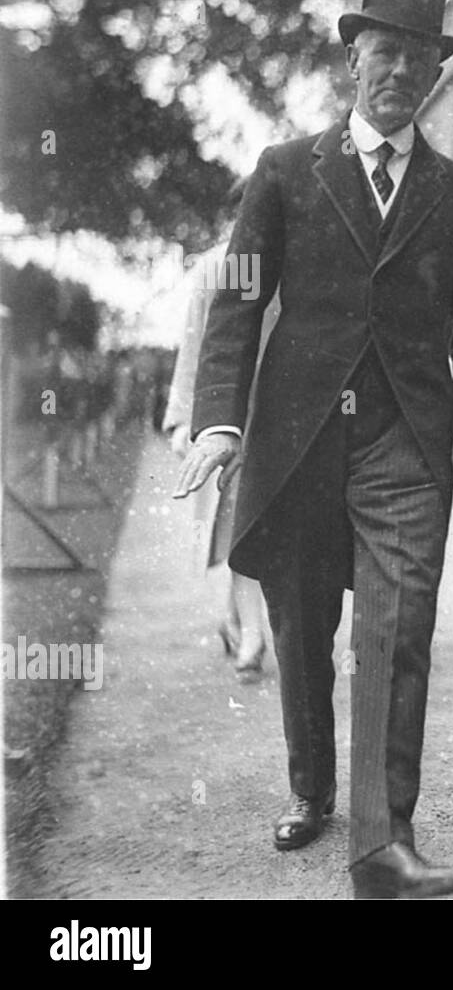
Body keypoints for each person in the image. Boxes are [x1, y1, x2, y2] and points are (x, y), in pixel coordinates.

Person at [174, 0, 453, 898]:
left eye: (418, 59)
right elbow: (236, 302)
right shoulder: (285, 171)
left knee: (397, 631)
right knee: (304, 623)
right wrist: (217, 425)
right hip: (298, 438)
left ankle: (380, 842)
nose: (400, 72)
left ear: (437, 75)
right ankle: (313, 787)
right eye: (384, 52)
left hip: (405, 436)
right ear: (352, 61)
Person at [163, 179, 276, 682]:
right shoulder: (215, 266)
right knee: (239, 521)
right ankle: (253, 634)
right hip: (229, 417)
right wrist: (186, 417)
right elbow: (195, 346)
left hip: (283, 415)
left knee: (263, 525)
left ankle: (236, 619)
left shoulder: (298, 263)